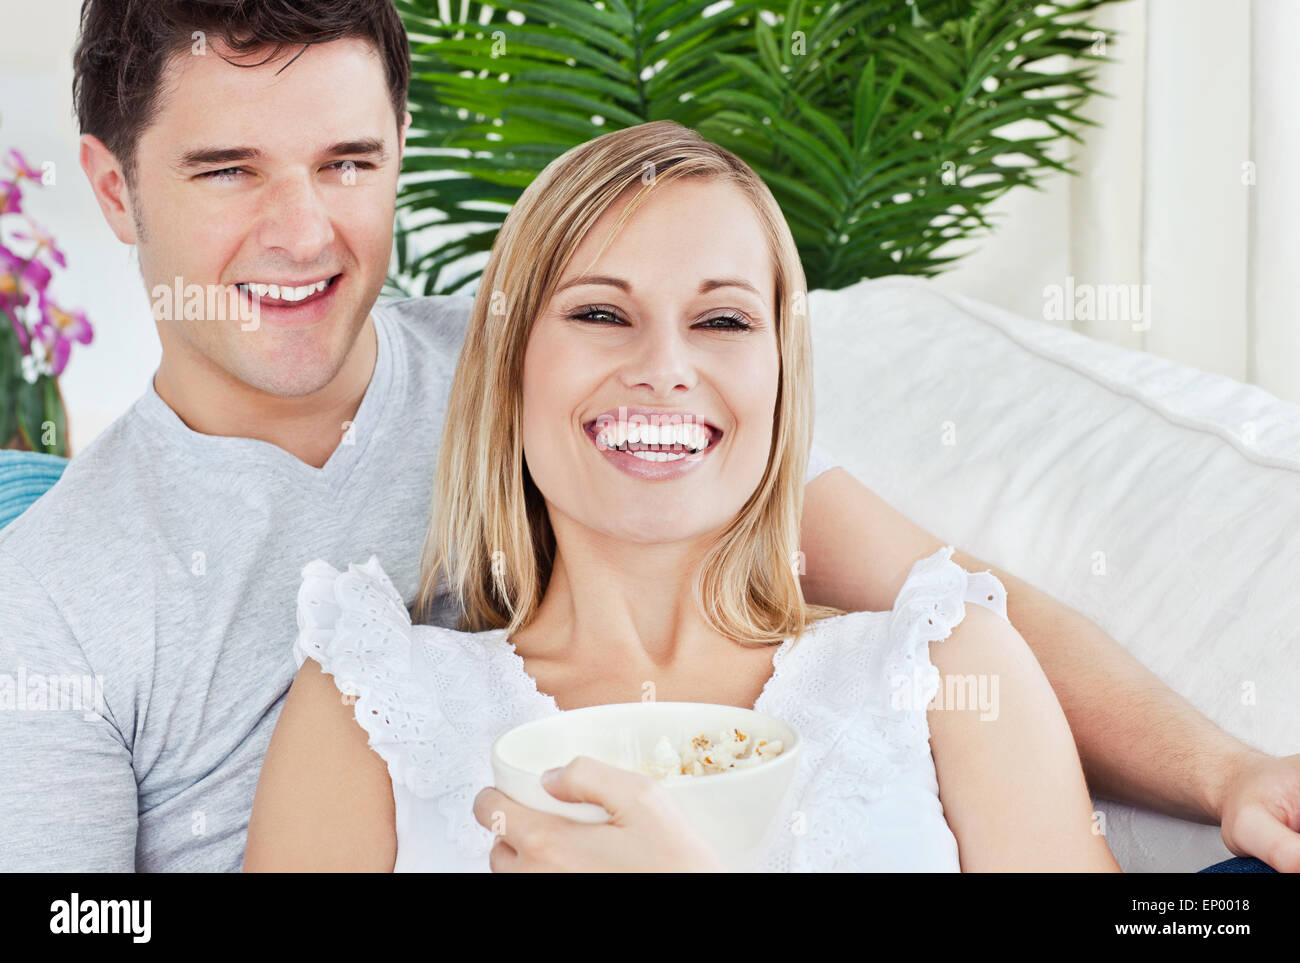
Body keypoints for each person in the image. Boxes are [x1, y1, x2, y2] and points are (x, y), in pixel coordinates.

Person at [1, 0, 1295, 873]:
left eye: (346, 162)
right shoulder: (60, 603)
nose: (301, 231)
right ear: (114, 188)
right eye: (228, 168)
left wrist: (1227, 765)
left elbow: (947, 593)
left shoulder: (582, 386)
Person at [245, 121, 1122, 871]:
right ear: (507, 373)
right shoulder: (368, 705)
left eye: (723, 321)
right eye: (599, 314)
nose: (663, 369)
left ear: (782, 380)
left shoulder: (953, 671)